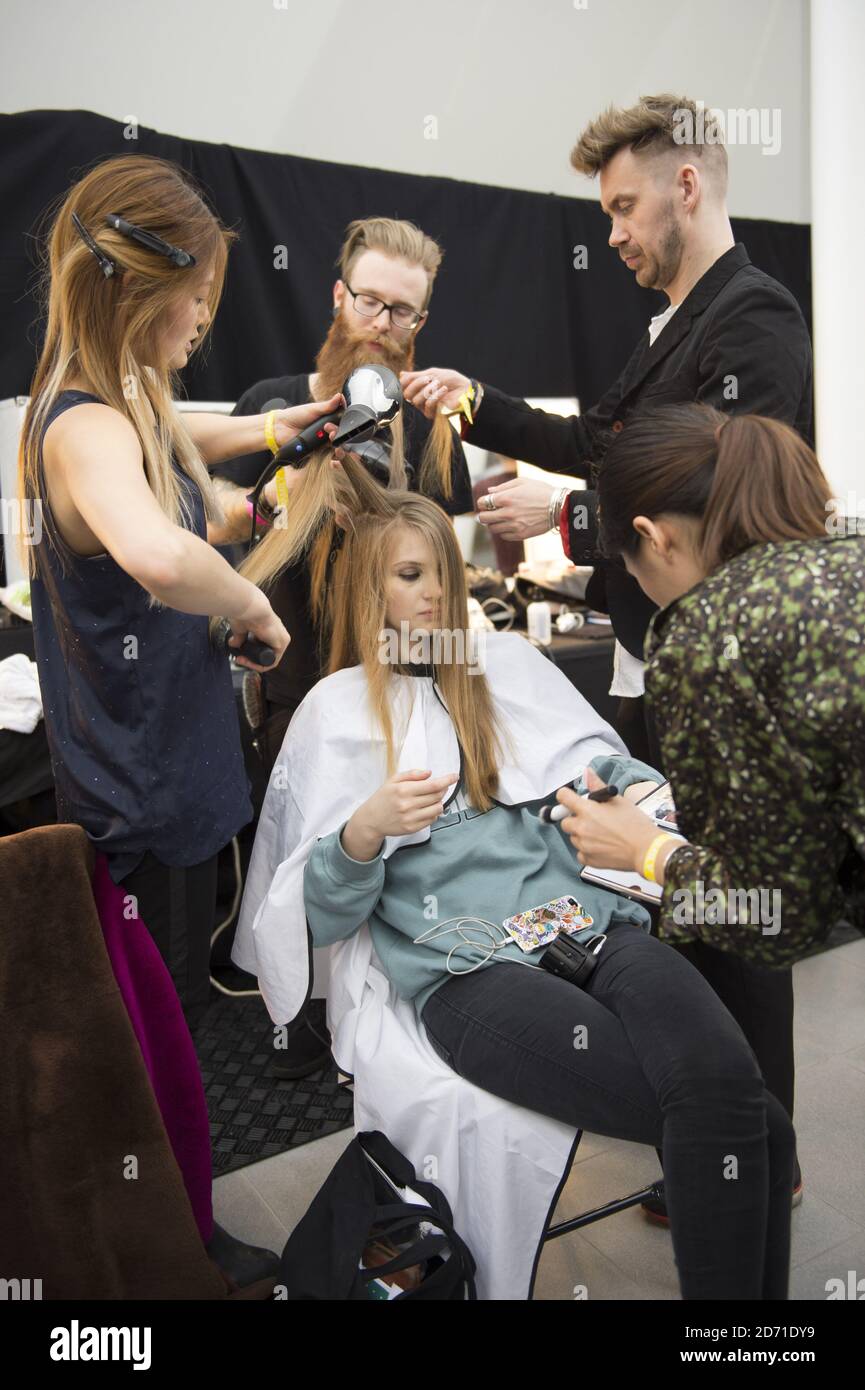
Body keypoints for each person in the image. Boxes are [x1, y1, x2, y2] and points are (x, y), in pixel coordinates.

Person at [233, 483, 795, 1300]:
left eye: (442, 574)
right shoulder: (336, 712)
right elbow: (315, 920)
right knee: (741, 1118)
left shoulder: (506, 667)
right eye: (408, 576)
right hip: (471, 972)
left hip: (592, 930)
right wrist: (363, 832)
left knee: (744, 1109)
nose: (432, 594)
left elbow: (594, 768)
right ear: (369, 591)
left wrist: (623, 788)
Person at [18, 154, 346, 1029]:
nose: (205, 316)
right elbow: (162, 555)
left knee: (176, 1010)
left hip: (171, 764)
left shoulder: (120, 399)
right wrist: (252, 606)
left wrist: (273, 432)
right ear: (136, 290)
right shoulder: (84, 428)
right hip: (141, 793)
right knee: (158, 1029)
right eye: (196, 295)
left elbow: (177, 449)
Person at [400, 92, 813, 758]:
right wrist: (470, 401)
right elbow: (591, 444)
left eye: (624, 208)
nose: (612, 234)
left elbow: (726, 495)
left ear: (685, 186)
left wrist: (567, 515)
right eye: (608, 214)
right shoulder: (671, 325)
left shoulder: (752, 314)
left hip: (710, 653)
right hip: (645, 639)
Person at [210, 216, 473, 1076]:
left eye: (405, 313)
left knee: (394, 855)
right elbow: (223, 540)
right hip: (293, 692)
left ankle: (390, 1007)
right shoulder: (271, 410)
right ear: (338, 296)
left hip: (402, 696)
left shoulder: (433, 434)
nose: (384, 324)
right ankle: (298, 1008)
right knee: (302, 852)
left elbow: (448, 574)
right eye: (370, 302)